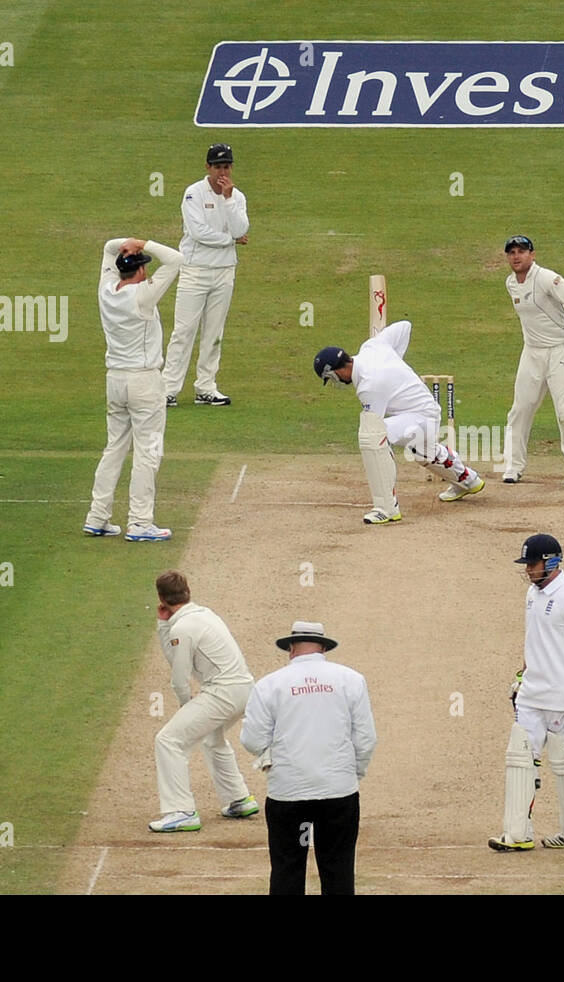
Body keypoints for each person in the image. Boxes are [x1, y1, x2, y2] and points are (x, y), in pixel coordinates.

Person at [241, 620, 377, 895]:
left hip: (288, 794)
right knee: (338, 868)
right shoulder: (350, 679)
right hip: (339, 793)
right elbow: (366, 739)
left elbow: (252, 739)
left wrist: (270, 757)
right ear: (324, 648)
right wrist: (353, 773)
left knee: (287, 869)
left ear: (291, 648)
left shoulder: (269, 684)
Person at [490, 534, 564, 852]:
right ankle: (517, 833)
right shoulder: (531, 594)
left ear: (551, 562)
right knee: (520, 758)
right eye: (526, 564)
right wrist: (522, 673)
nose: (528, 570)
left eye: (532, 564)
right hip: (531, 695)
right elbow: (535, 639)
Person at [313, 319, 484, 524]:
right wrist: (395, 362)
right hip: (421, 413)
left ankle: (386, 508)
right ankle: (468, 480)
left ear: (337, 371)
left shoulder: (369, 386)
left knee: (372, 436)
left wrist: (392, 370)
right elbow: (405, 326)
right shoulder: (372, 346)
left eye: (331, 377)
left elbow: (375, 425)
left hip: (422, 417)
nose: (335, 382)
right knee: (423, 453)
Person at [82, 237, 182, 541]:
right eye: (143, 268)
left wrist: (125, 244)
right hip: (144, 381)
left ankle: (97, 517)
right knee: (148, 451)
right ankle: (139, 523)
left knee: (115, 447)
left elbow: (108, 249)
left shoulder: (106, 290)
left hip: (115, 381)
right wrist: (144, 243)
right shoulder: (143, 295)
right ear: (138, 271)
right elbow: (176, 259)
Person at [148, 571, 259, 832]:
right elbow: (177, 658)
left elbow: (179, 678)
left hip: (222, 693)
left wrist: (186, 705)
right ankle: (238, 799)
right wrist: (164, 625)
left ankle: (181, 811)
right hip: (245, 690)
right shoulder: (203, 614)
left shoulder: (183, 627)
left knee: (168, 740)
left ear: (161, 598)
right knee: (212, 738)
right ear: (187, 592)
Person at [501, 235, 564, 489]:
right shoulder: (510, 283)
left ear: (532, 255)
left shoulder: (546, 277)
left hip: (560, 351)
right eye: (512, 252)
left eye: (522, 251)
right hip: (532, 352)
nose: (516, 256)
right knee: (520, 409)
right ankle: (513, 467)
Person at [163, 143, 249, 408]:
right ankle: (168, 389)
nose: (222, 171)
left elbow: (242, 227)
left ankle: (206, 388)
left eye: (227, 166)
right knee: (184, 330)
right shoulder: (193, 194)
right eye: (218, 166)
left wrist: (228, 199)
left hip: (224, 272)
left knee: (214, 332)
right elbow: (199, 233)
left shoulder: (237, 196)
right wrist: (231, 241)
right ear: (208, 167)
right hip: (195, 270)